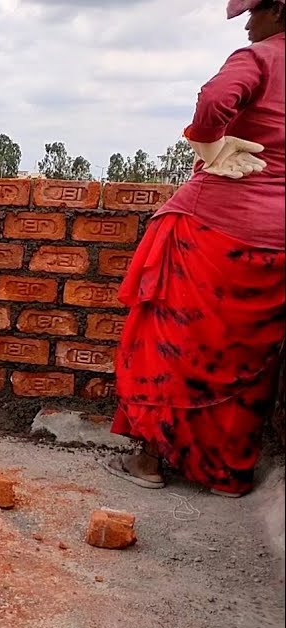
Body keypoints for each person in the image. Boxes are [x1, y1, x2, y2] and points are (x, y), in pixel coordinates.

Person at [103, 0, 284, 498]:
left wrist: (210, 142)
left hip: (213, 228)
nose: (249, 25)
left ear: (279, 9)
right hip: (278, 245)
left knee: (170, 342)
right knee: (245, 359)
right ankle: (226, 473)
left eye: (255, 12)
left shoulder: (259, 59)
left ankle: (148, 459)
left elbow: (214, 102)